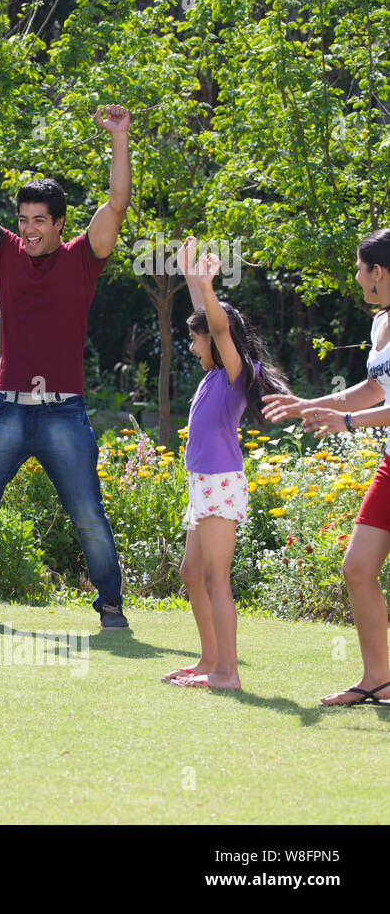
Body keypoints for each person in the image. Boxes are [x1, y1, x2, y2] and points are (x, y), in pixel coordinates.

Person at [0, 96, 132, 628]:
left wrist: (119, 137)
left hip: (63, 413)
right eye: (22, 220)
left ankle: (110, 604)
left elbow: (116, 205)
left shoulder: (82, 259)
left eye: (39, 221)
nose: (28, 230)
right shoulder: (4, 253)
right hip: (7, 408)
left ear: (59, 223)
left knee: (88, 516)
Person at [264, 228, 390, 705]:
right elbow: (373, 390)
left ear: (378, 271)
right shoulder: (380, 322)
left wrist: (350, 422)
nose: (357, 278)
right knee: (358, 568)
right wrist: (303, 405)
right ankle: (377, 679)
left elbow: (363, 409)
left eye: (360, 269)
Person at [165, 237, 287, 689]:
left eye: (196, 341)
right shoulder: (217, 371)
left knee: (216, 577)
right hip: (202, 484)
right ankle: (209, 660)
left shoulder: (239, 371)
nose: (193, 348)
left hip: (219, 482)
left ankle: (227, 674)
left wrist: (208, 287)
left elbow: (217, 330)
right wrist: (192, 279)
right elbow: (210, 324)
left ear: (217, 343)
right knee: (192, 573)